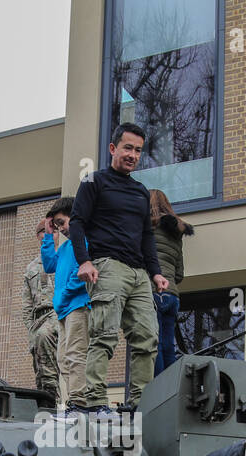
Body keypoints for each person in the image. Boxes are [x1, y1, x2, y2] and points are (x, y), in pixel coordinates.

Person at [69, 122, 167, 412]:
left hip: (139, 274)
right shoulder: (94, 181)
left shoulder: (141, 192)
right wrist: (83, 260)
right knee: (104, 335)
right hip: (107, 267)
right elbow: (76, 222)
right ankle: (96, 401)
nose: (133, 155)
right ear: (113, 148)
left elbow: (147, 235)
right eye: (128, 148)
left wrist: (157, 272)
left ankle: (140, 405)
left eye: (138, 150)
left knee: (148, 338)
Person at [39, 197, 92, 414]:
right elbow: (49, 264)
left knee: (76, 354)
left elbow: (81, 274)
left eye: (62, 223)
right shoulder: (66, 246)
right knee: (62, 359)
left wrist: (64, 295)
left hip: (78, 305)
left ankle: (80, 400)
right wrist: (48, 235)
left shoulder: (85, 239)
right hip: (63, 310)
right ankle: (74, 399)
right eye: (57, 225)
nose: (61, 229)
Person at [149, 189, 194, 375]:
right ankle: (171, 389)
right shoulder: (177, 233)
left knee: (154, 343)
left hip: (153, 291)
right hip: (173, 296)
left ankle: (158, 389)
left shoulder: (148, 227)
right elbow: (179, 273)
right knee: (168, 345)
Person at [21, 223, 60, 401]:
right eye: (44, 232)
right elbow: (27, 304)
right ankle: (44, 403)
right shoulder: (31, 267)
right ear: (38, 236)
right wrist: (30, 328)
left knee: (47, 343)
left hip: (57, 313)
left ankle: (53, 401)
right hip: (38, 318)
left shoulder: (63, 257)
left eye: (53, 232)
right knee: (40, 367)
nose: (49, 235)